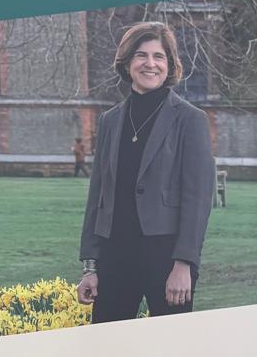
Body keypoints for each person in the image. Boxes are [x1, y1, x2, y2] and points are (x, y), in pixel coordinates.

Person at [77, 22, 214, 324]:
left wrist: (184, 265)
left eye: (159, 56)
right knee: (109, 350)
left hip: (165, 258)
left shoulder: (190, 120)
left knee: (173, 354)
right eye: (141, 55)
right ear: (127, 63)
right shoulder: (110, 121)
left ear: (170, 64)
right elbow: (97, 195)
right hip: (114, 255)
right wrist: (90, 266)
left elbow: (198, 200)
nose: (150, 64)